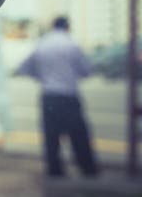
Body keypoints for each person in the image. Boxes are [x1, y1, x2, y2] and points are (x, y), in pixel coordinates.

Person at [16, 16, 99, 177]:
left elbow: (24, 67)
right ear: (67, 26)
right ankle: (87, 169)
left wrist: (41, 76)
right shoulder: (72, 44)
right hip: (69, 95)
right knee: (78, 134)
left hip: (49, 96)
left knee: (51, 136)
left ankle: (55, 170)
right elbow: (87, 70)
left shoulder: (42, 44)